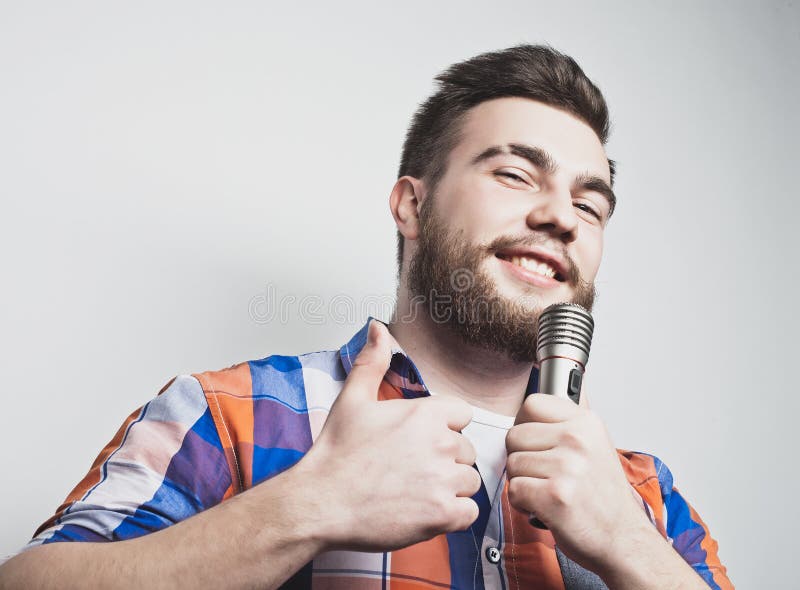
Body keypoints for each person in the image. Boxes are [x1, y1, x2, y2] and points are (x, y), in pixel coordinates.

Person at [0, 45, 733, 590]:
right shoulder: (232, 415)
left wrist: (626, 545)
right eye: (515, 174)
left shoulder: (641, 493)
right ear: (411, 205)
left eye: (589, 204)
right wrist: (306, 509)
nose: (559, 218)